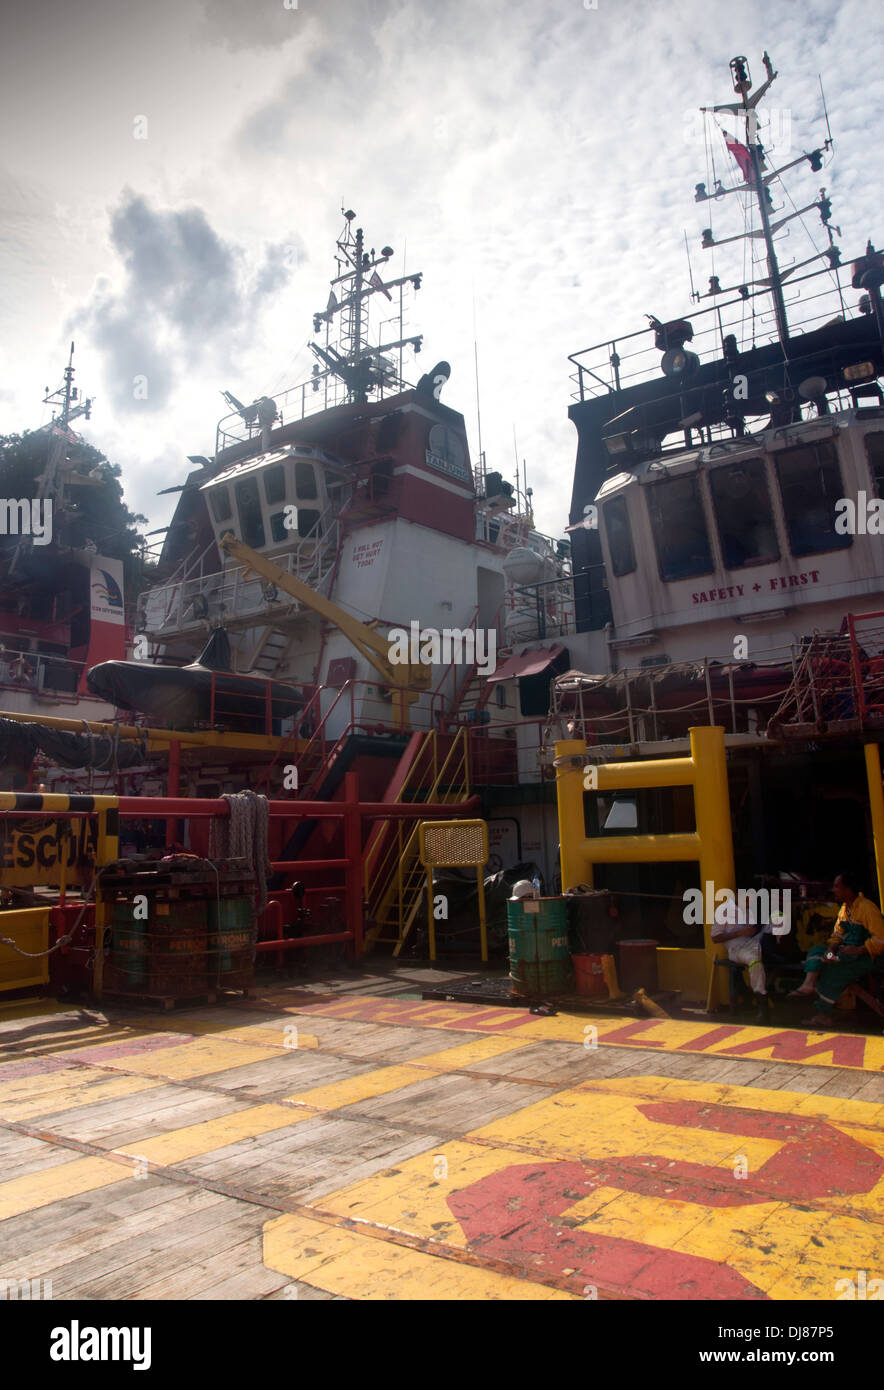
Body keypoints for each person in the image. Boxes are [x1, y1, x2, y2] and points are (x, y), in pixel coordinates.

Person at [789, 872, 884, 1025]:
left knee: (832, 971)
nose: (833, 890)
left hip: (866, 958)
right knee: (818, 952)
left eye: (837, 887)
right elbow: (838, 934)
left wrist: (859, 950)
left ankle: (824, 1015)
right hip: (845, 955)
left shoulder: (867, 908)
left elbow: (881, 939)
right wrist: (831, 949)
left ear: (848, 890)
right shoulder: (845, 909)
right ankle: (808, 985)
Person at [712, 895, 769, 1022]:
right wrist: (740, 933)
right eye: (747, 900)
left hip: (753, 942)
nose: (750, 903)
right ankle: (762, 1003)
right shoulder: (724, 910)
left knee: (775, 920)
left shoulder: (749, 910)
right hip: (737, 949)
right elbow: (715, 938)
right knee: (755, 962)